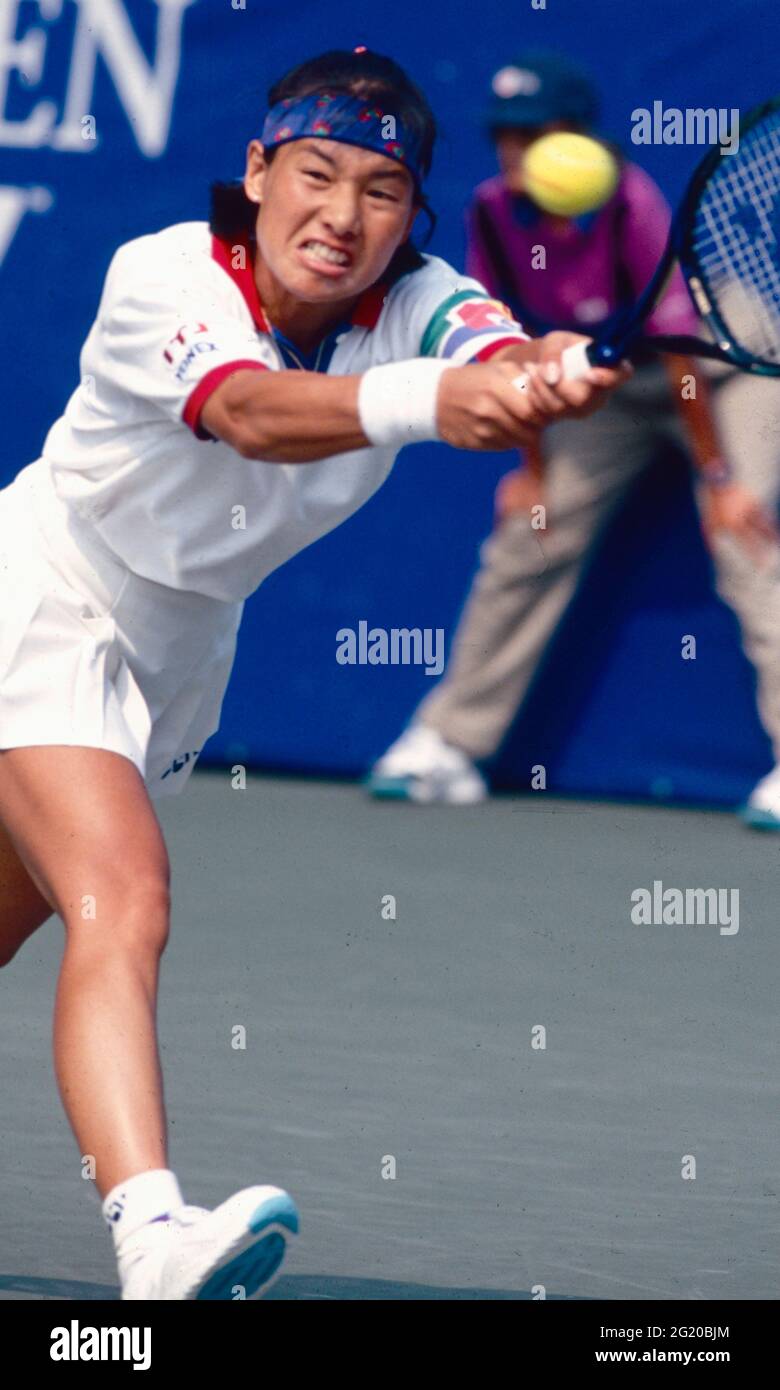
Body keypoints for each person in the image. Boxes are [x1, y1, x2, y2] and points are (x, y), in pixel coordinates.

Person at [0, 47, 628, 1301]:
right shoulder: (162, 275)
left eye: (382, 193)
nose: (342, 217)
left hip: (181, 656)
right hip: (43, 594)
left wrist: (536, 372)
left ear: (413, 217)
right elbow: (249, 411)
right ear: (257, 171)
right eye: (316, 174)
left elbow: (482, 349)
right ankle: (153, 1237)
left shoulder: (423, 301)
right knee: (124, 899)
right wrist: (430, 398)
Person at [367, 50, 780, 823]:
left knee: (745, 539)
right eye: (505, 134)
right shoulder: (493, 211)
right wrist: (535, 467)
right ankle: (449, 745)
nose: (516, 151)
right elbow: (509, 344)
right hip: (612, 384)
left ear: (577, 137)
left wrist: (721, 483)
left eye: (536, 133)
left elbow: (679, 350)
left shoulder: (627, 201)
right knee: (535, 530)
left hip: (716, 370)